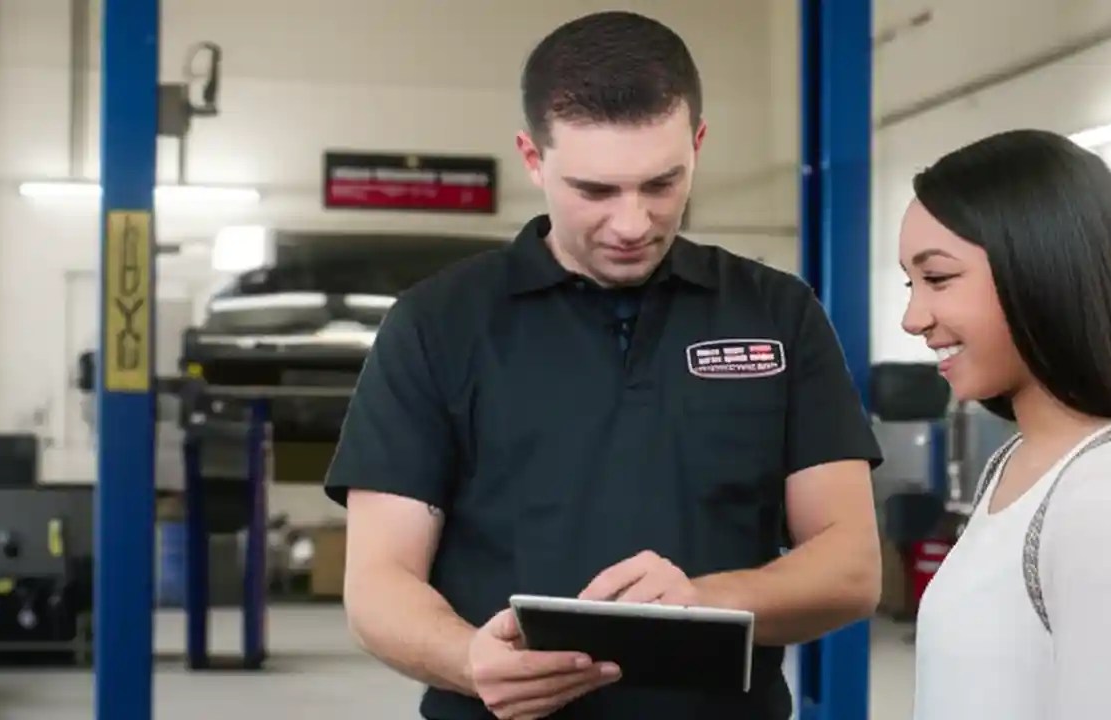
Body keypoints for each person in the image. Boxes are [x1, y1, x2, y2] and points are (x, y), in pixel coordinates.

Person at [323, 10, 884, 720]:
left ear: (698, 145)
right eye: (595, 191)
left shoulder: (777, 316)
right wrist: (469, 660)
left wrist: (702, 602)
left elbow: (851, 566)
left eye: (661, 184)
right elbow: (378, 581)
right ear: (533, 158)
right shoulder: (437, 325)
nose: (631, 223)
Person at [898, 128, 1111, 720]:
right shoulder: (1014, 465)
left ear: (1040, 269)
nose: (912, 317)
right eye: (910, 283)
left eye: (939, 279)